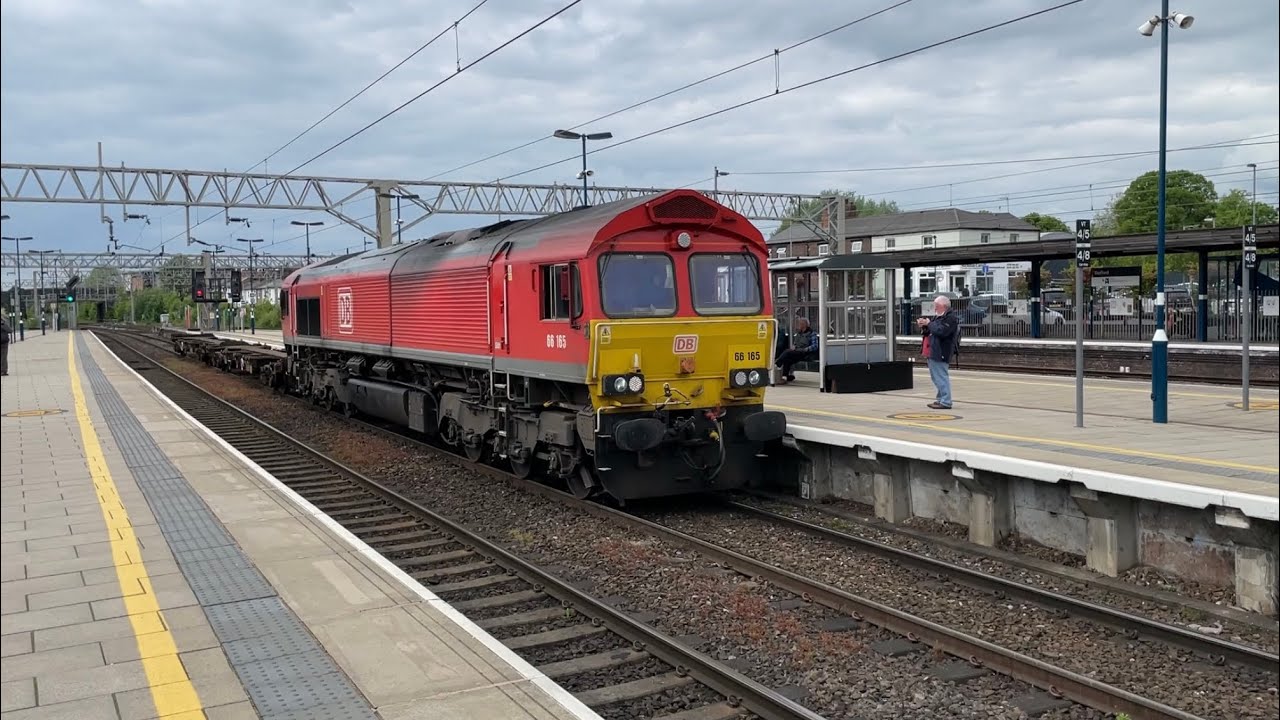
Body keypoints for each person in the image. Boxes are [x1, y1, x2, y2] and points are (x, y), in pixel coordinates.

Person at [916, 295, 959, 409]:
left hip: (941, 351)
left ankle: (946, 401)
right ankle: (941, 398)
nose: (934, 308)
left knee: (940, 376)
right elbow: (932, 331)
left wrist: (929, 323)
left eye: (936, 306)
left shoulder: (950, 319)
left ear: (943, 306)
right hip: (933, 351)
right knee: (936, 377)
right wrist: (924, 326)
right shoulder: (939, 317)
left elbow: (941, 331)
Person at [774, 316, 817, 383]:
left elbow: (815, 346)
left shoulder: (812, 333)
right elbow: (796, 343)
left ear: (804, 324)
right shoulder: (798, 333)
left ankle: (777, 364)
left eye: (800, 323)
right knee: (787, 359)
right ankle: (785, 377)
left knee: (787, 352)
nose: (798, 325)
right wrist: (794, 346)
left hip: (804, 353)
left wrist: (805, 349)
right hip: (797, 351)